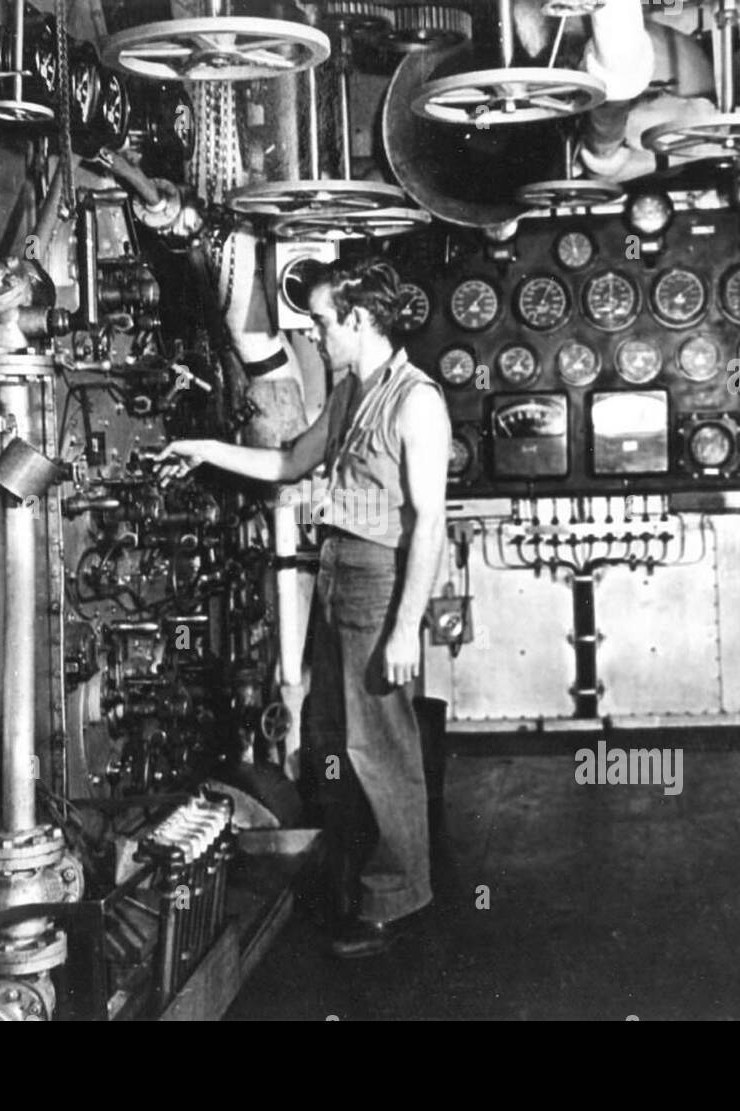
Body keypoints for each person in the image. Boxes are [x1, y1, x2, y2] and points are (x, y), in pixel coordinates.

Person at [157, 256, 451, 958]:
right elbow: (290, 462)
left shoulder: (417, 401)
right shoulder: (353, 392)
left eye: (321, 322)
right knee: (335, 738)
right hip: (339, 570)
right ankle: (366, 883)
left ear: (358, 319)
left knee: (378, 745)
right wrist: (203, 449)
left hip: (381, 577)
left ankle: (395, 898)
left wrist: (407, 625)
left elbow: (432, 521)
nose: (315, 336)